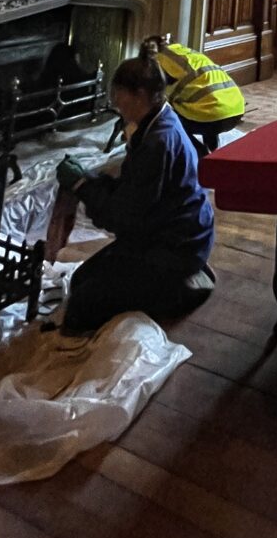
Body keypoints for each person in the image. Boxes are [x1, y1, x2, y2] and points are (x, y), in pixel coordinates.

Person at [55, 41, 215, 335]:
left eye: (119, 95)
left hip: (173, 247)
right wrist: (94, 181)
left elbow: (124, 218)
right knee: (80, 280)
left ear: (140, 95)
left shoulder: (157, 142)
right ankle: (179, 279)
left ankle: (181, 288)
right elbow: (134, 193)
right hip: (169, 234)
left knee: (84, 305)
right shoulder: (159, 121)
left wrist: (81, 186)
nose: (116, 103)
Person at [152, 35, 246, 153]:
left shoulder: (158, 60)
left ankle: (198, 152)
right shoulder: (188, 54)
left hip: (210, 116)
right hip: (235, 111)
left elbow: (155, 96)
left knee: (167, 118)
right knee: (205, 104)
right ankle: (213, 149)